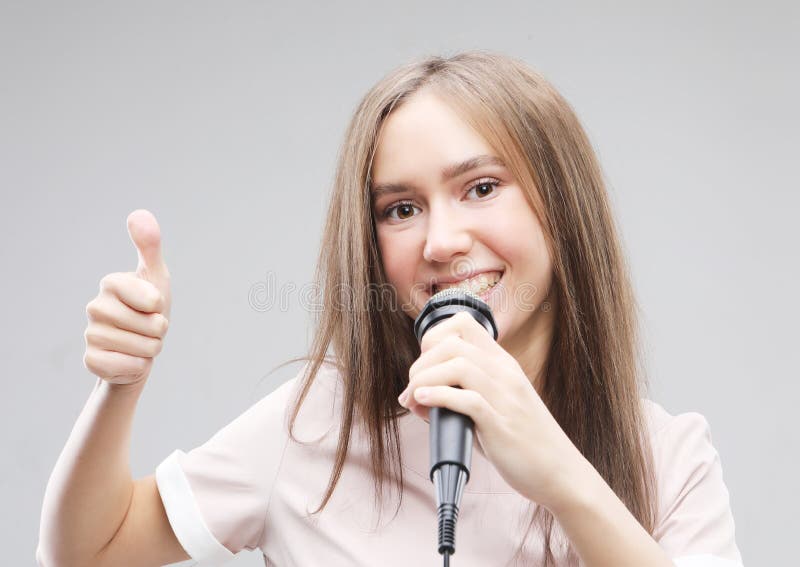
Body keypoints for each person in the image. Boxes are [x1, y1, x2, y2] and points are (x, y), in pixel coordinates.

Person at [37, 51, 743, 567]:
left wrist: (561, 476)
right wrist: (119, 387)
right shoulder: (318, 427)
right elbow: (84, 551)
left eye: (481, 187)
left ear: (562, 204)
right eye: (400, 209)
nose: (440, 242)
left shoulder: (670, 458)